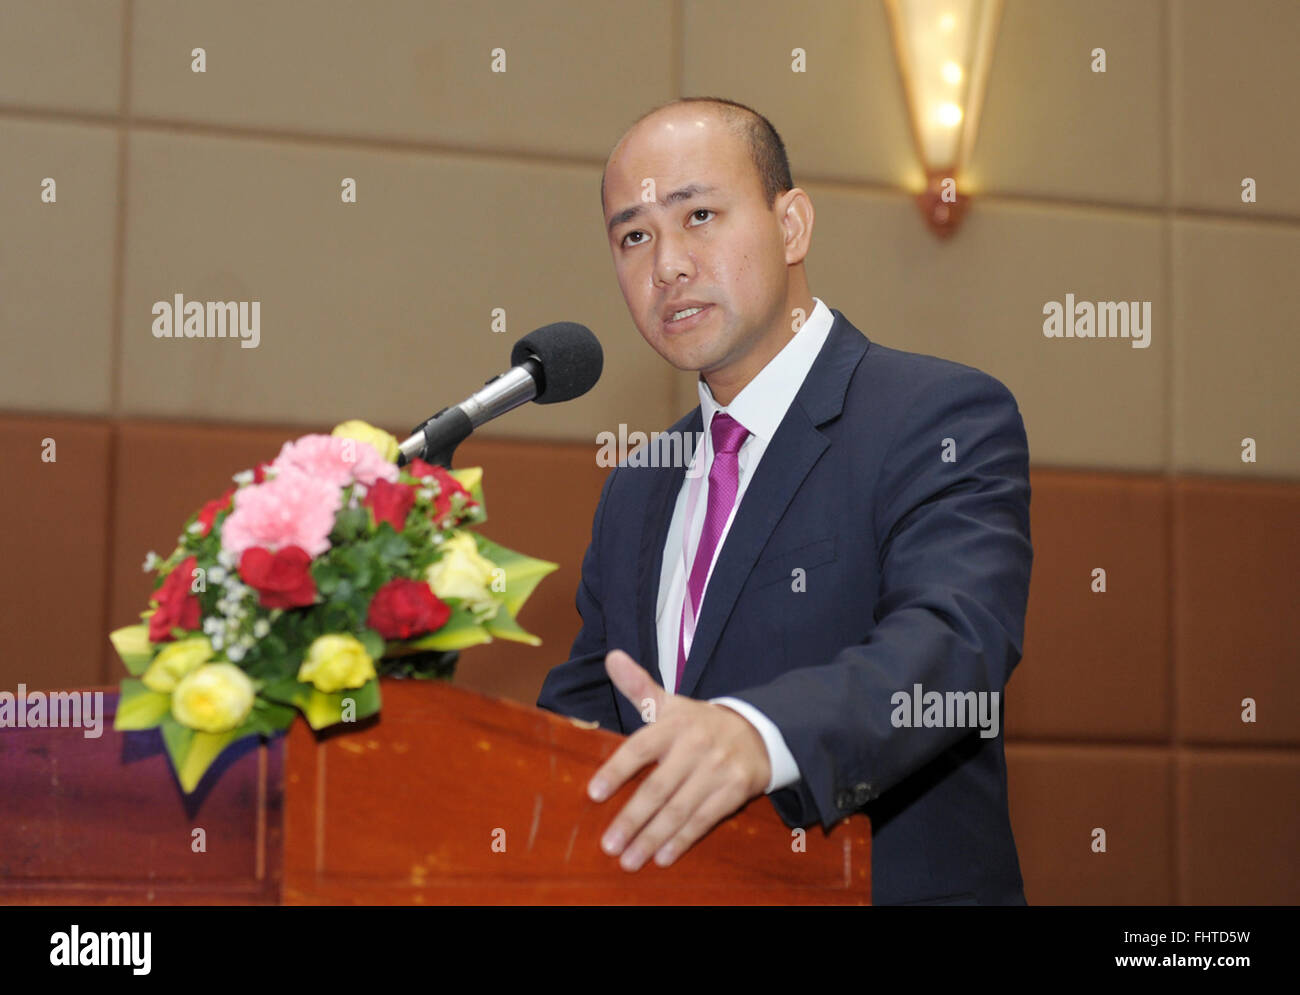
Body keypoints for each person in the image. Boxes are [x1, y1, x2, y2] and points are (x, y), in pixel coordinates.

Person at [537, 96, 1033, 905]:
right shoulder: (638, 485)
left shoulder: (935, 416)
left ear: (793, 224)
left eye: (698, 214)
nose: (665, 264)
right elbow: (586, 727)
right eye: (634, 235)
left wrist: (757, 736)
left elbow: (953, 648)